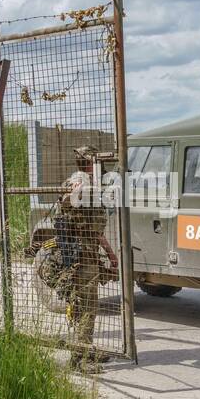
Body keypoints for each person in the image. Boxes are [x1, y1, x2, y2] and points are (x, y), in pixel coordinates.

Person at [56, 145, 117, 372]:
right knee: (87, 305)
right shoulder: (86, 187)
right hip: (82, 254)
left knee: (81, 303)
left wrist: (110, 254)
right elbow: (87, 225)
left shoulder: (74, 183)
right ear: (93, 163)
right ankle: (80, 358)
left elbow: (94, 230)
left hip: (79, 251)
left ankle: (84, 348)